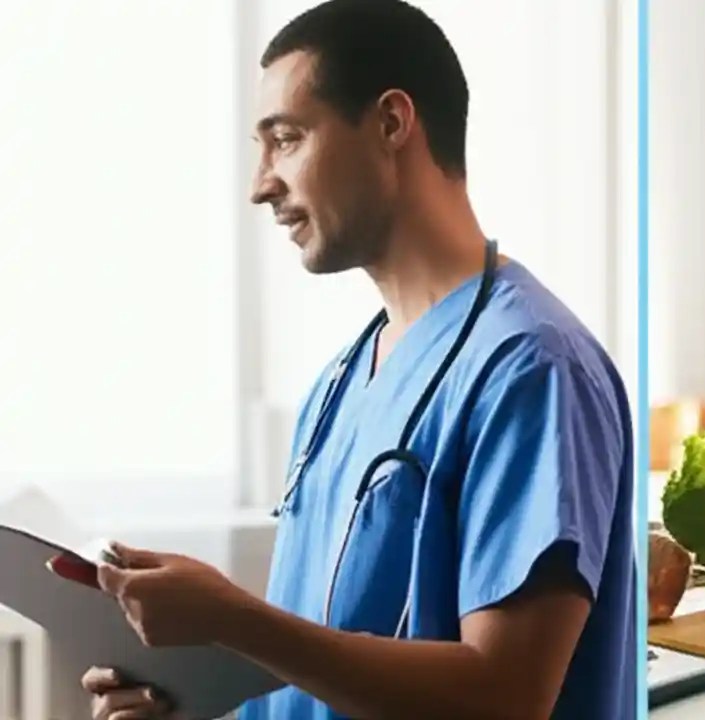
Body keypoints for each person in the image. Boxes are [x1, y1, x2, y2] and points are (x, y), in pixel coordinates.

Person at [80, 0, 637, 718]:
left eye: (285, 139)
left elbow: (505, 695)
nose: (261, 184)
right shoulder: (338, 387)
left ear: (391, 123)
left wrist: (229, 617)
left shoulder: (533, 368)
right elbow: (311, 684)